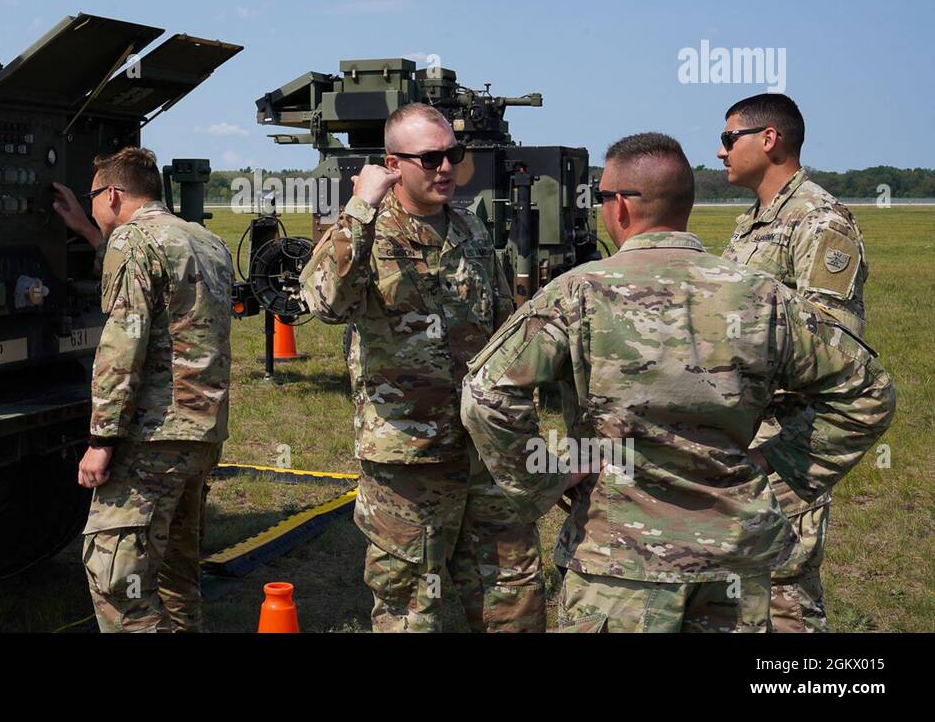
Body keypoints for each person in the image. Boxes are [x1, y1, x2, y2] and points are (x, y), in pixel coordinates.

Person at [461, 132, 894, 632]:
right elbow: (869, 391)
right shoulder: (763, 295)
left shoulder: (577, 293)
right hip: (734, 557)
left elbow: (486, 394)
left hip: (619, 563)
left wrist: (545, 480)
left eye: (602, 197)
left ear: (620, 206)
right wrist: (779, 461)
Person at [298, 102, 545, 632]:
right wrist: (360, 207)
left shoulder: (469, 228)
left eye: (453, 154)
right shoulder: (366, 232)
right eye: (430, 158)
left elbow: (503, 327)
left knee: (514, 595)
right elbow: (326, 303)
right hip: (409, 457)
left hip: (484, 448)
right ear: (393, 164)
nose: (447, 167)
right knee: (409, 606)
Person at [52, 147, 233, 632]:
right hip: (200, 434)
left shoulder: (132, 241)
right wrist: (92, 236)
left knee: (117, 580)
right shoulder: (205, 240)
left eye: (92, 198)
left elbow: (121, 348)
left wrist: (102, 439)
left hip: (151, 436)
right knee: (175, 573)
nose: (92, 207)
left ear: (111, 194)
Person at [717, 93, 868, 632]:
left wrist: (777, 454)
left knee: (784, 600)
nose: (720, 151)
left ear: (768, 139)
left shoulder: (819, 221)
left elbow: (836, 354)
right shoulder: (754, 221)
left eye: (729, 138)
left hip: (784, 445)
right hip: (746, 436)